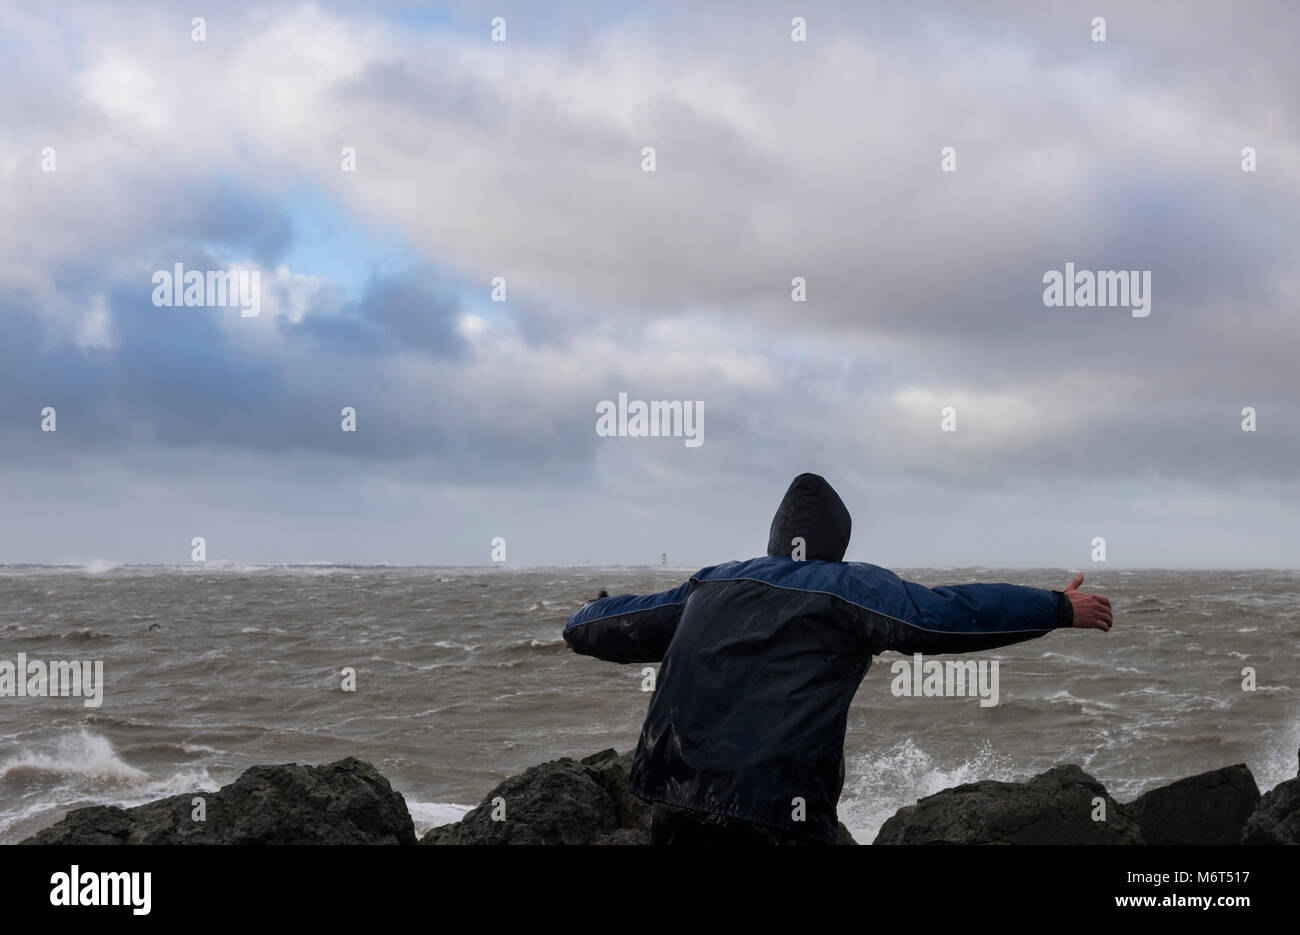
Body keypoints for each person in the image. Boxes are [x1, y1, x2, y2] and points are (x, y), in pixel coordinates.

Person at [563, 473, 1112, 845]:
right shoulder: (846, 588)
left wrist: (583, 615)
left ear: (777, 536)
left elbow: (611, 624)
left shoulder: (711, 584)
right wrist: (1056, 608)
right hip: (775, 812)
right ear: (838, 540)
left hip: (674, 804)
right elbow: (940, 614)